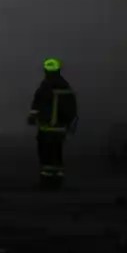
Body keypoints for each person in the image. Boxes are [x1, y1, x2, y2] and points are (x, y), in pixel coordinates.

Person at [27, 58, 78, 189]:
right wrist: (69, 124)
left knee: (46, 156)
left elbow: (37, 105)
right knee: (57, 154)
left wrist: (32, 117)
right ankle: (58, 180)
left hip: (46, 128)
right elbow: (72, 107)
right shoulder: (65, 86)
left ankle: (46, 181)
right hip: (60, 129)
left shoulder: (45, 87)